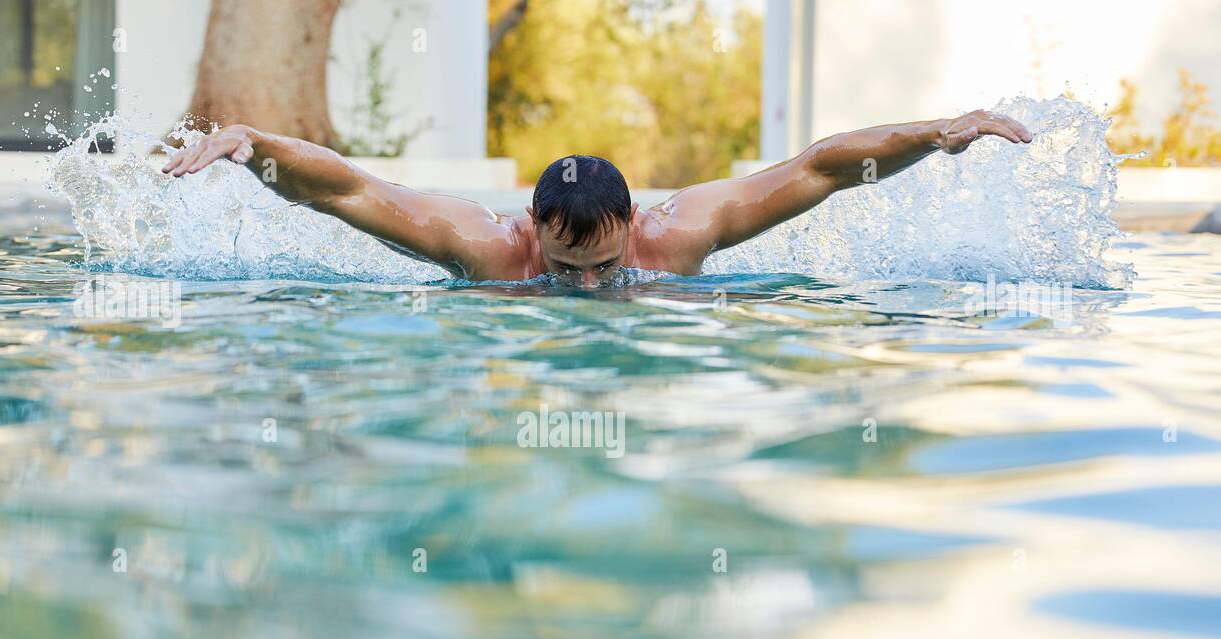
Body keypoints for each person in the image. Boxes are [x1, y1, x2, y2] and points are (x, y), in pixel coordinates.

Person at [162, 110, 1031, 287]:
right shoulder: (482, 246)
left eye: (605, 265)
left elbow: (818, 169)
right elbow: (347, 187)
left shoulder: (681, 234)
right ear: (532, 230)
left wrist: (930, 136)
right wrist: (258, 149)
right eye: (567, 267)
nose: (585, 287)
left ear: (632, 227)